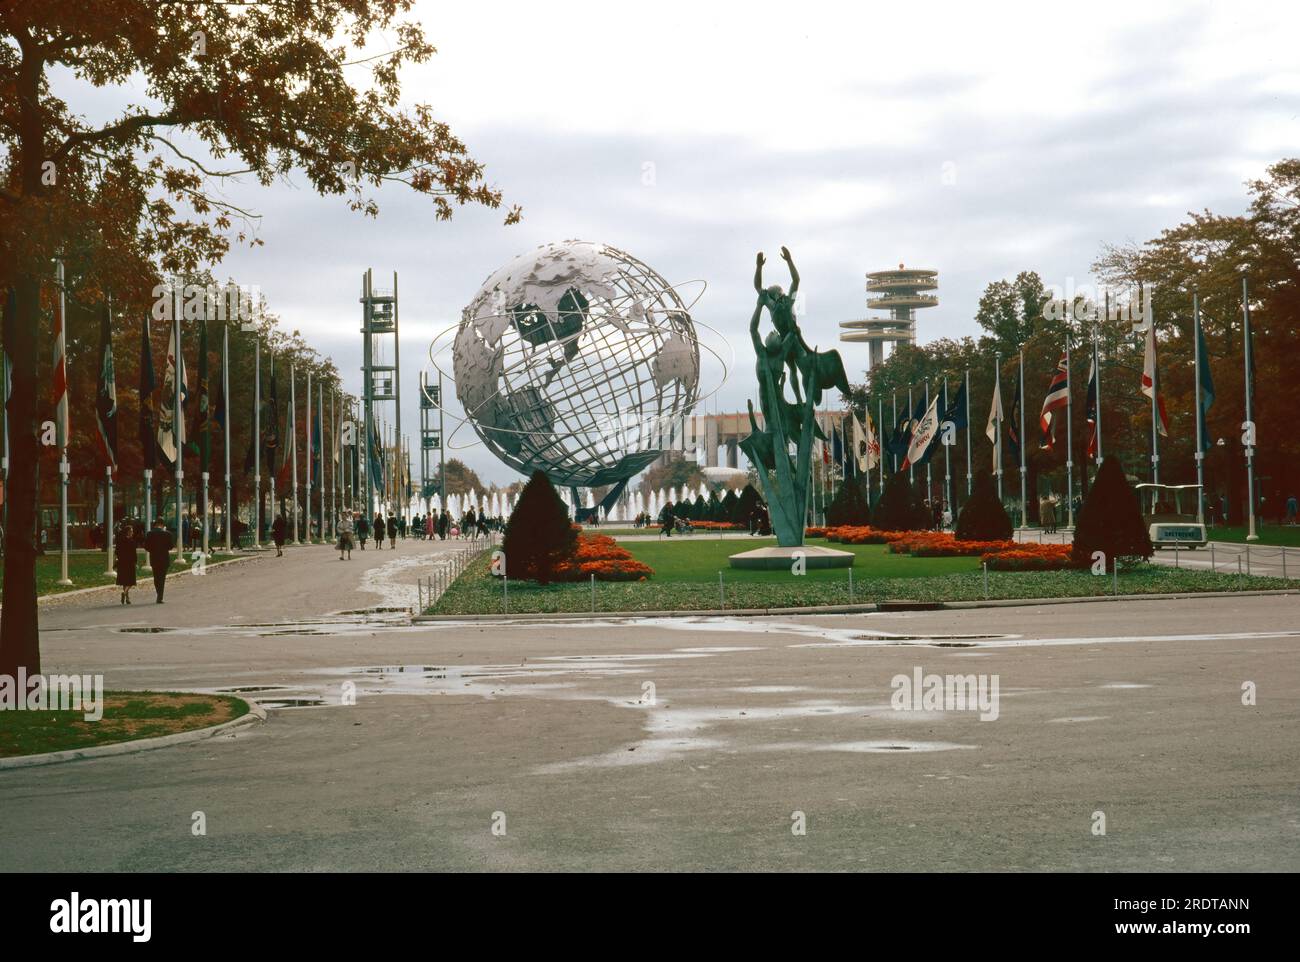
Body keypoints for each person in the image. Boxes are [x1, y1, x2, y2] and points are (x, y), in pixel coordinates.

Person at [143, 518, 174, 604]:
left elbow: (146, 546)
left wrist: (153, 549)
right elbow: (171, 546)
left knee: (156, 577)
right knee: (162, 578)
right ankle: (160, 596)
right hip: (164, 558)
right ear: (163, 525)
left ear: (155, 524)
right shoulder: (168, 534)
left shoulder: (150, 534)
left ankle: (158, 593)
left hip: (154, 558)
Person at [115, 521, 139, 605]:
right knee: (131, 581)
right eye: (131, 531)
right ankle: (124, 593)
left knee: (125, 581)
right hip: (130, 563)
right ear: (128, 532)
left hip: (121, 562)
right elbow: (134, 554)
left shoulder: (120, 541)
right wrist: (135, 562)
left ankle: (127, 598)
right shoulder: (132, 542)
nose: (132, 532)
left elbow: (116, 552)